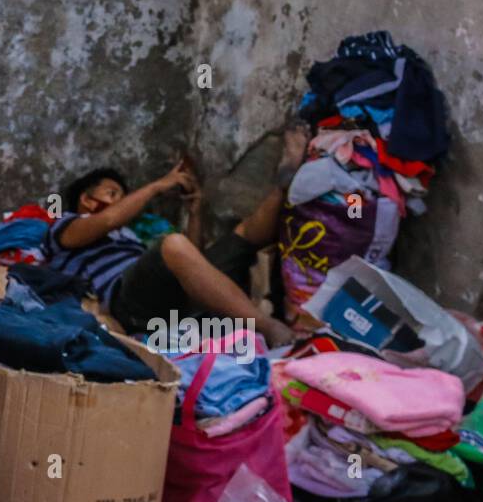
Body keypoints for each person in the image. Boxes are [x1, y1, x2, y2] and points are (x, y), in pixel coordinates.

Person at [45, 125, 310, 348]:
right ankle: (269, 327)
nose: (121, 202)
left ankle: (285, 183)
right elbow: (108, 220)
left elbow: (190, 263)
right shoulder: (64, 227)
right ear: (87, 200)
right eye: (112, 193)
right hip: (126, 305)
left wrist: (195, 212)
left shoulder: (129, 236)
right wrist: (158, 185)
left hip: (173, 303)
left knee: (242, 235)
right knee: (171, 244)